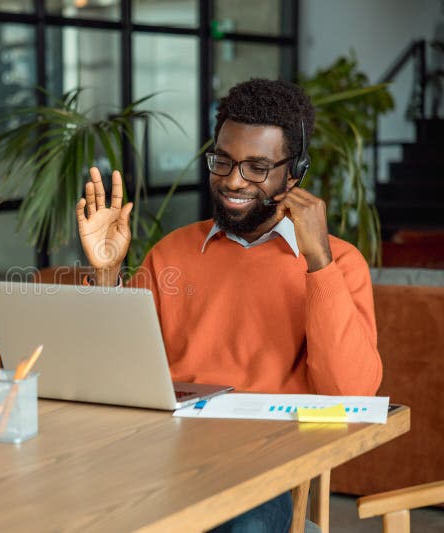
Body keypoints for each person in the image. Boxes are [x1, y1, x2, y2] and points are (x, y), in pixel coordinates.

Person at [75, 78, 382, 533]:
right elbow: (115, 373)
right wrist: (106, 273)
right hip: (164, 453)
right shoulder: (171, 253)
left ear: (294, 174)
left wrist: (318, 262)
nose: (233, 181)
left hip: (265, 459)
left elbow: (351, 397)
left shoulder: (339, 264)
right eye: (223, 161)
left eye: (257, 167)